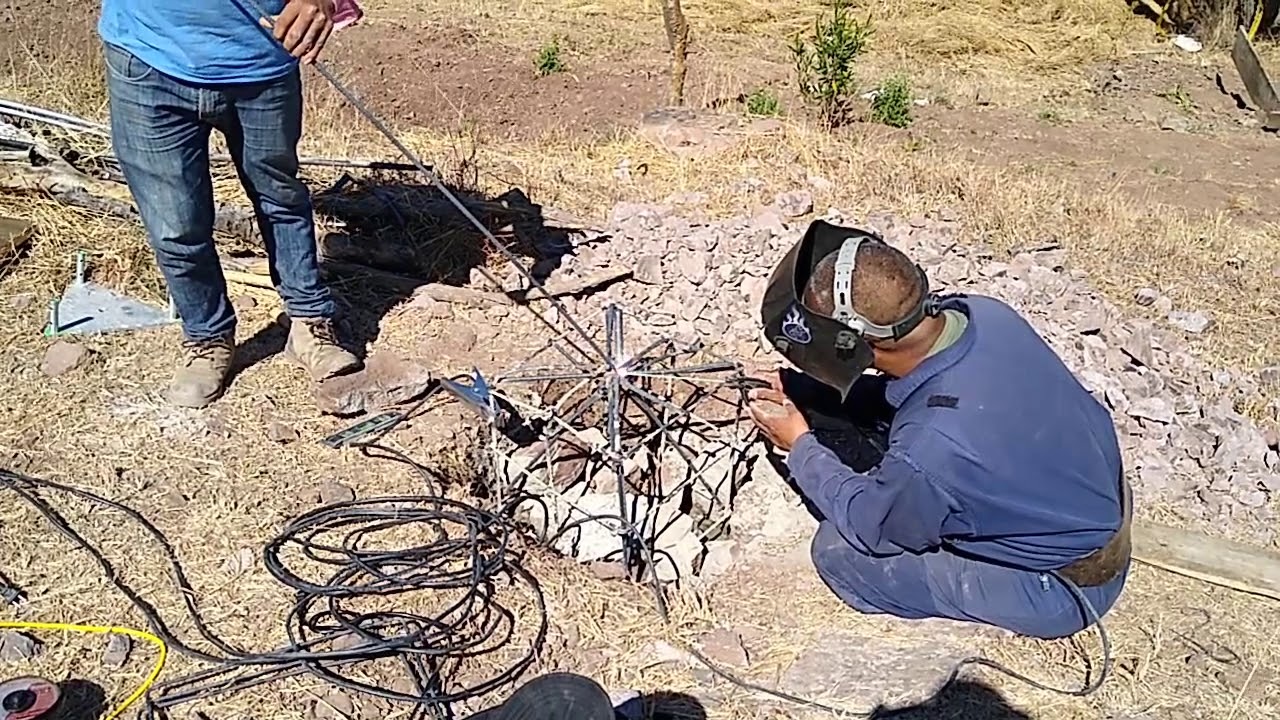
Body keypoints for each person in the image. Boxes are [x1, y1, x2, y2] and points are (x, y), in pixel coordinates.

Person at [747, 220, 1131, 640]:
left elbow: (870, 526)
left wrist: (800, 447)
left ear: (851, 342)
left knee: (838, 552)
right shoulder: (983, 314)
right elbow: (907, 391)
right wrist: (801, 388)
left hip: (1066, 586)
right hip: (1094, 501)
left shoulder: (933, 447)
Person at [98, 0, 362, 408]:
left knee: (280, 197)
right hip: (149, 59)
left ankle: (309, 321)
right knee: (175, 224)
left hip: (263, 63)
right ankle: (208, 337)